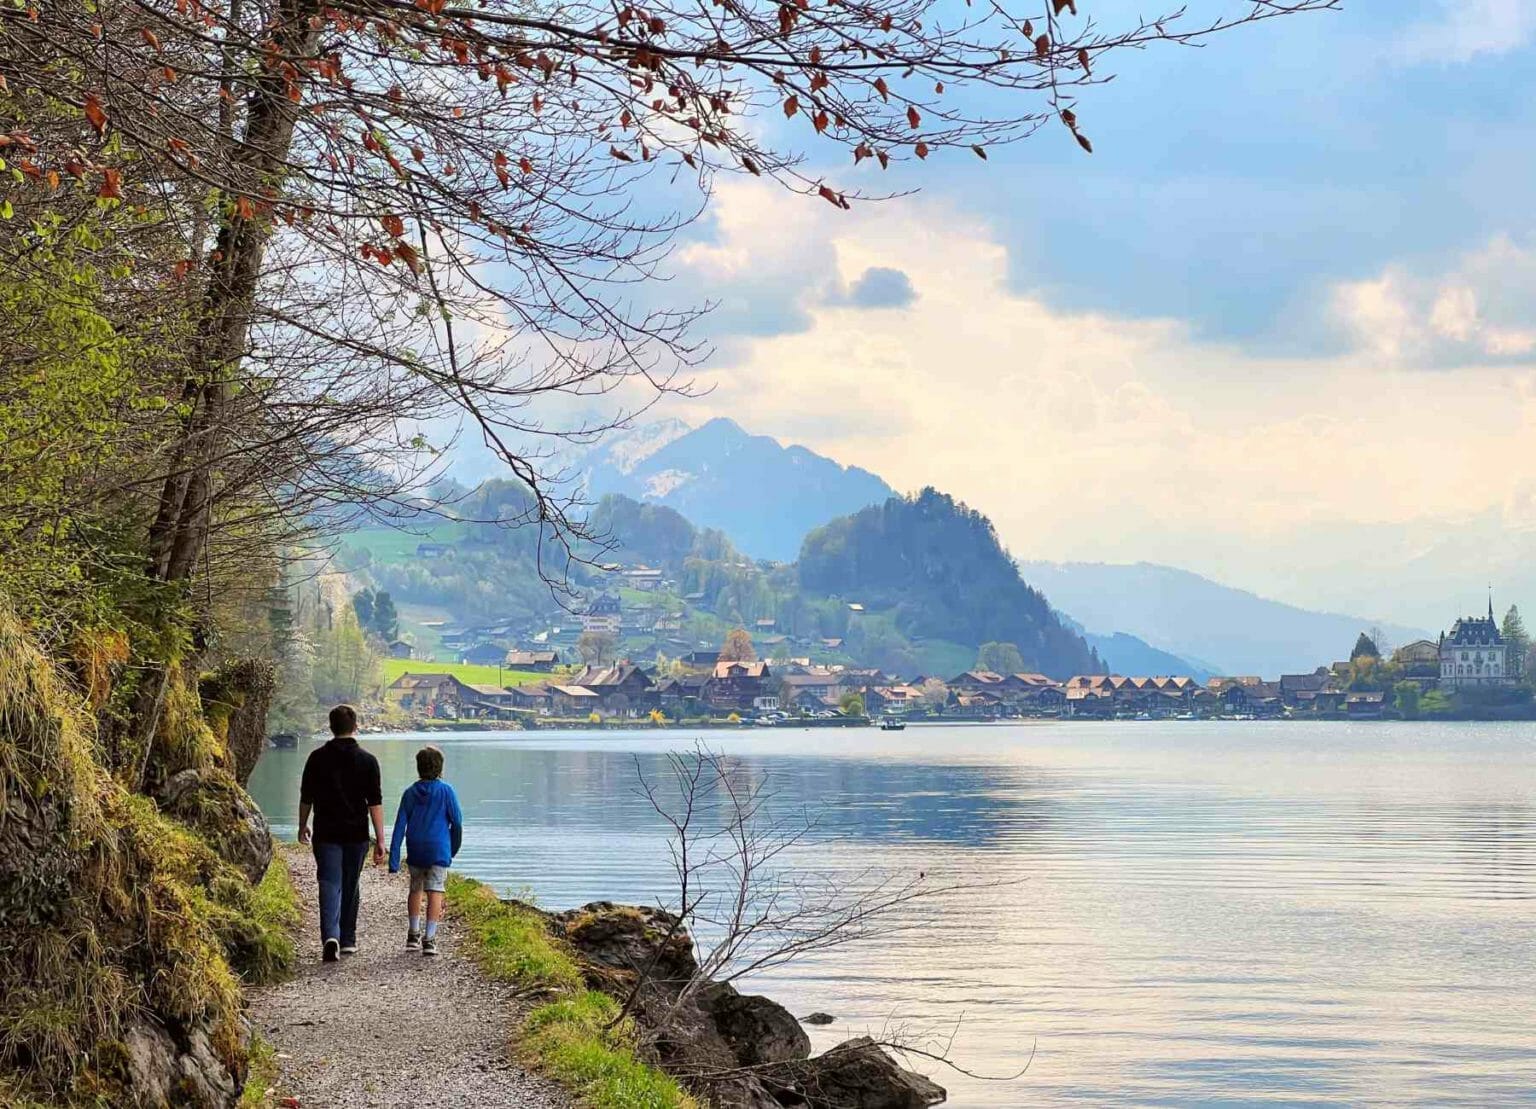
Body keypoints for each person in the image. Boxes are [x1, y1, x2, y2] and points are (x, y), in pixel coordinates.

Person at [297, 705, 385, 963]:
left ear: (331, 726)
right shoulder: (368, 761)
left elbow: (306, 797)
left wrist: (302, 825)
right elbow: (375, 802)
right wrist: (380, 839)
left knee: (328, 882)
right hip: (357, 833)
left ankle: (330, 937)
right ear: (355, 726)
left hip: (326, 832)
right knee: (350, 884)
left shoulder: (316, 758)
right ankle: (347, 939)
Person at [387, 745, 464, 956]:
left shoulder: (409, 793)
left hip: (416, 849)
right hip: (439, 849)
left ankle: (413, 934)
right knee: (435, 890)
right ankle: (429, 939)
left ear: (419, 768)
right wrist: (452, 850)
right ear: (440, 768)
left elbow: (399, 827)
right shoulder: (446, 791)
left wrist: (394, 860)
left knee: (415, 889)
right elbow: (457, 823)